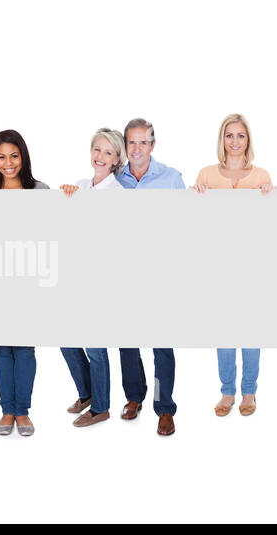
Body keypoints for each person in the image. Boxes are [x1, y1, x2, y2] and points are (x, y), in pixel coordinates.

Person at [192, 113, 273, 418]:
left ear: (247, 140)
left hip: (252, 266)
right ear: (222, 140)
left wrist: (269, 199)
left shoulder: (261, 176)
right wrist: (195, 197)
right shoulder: (207, 175)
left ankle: (249, 391)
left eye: (240, 135)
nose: (235, 141)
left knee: (251, 331)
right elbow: (197, 223)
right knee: (224, 331)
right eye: (229, 135)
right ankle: (227, 391)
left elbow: (272, 226)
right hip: (219, 267)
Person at [116, 118, 185, 436]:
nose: (137, 148)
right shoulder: (114, 179)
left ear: (153, 145)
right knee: (127, 343)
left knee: (162, 346)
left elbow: (187, 222)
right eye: (132, 142)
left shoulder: (171, 178)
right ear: (125, 145)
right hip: (124, 273)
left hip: (161, 274)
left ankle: (164, 407)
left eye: (143, 142)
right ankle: (134, 397)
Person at [0, 130, 48, 437]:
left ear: (24, 157)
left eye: (14, 156)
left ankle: (23, 411)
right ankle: (7, 410)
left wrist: (71, 195)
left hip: (29, 279)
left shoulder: (40, 190)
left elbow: (58, 228)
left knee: (25, 349)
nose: (9, 163)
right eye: (2, 156)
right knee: (3, 349)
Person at [58, 127, 125, 428]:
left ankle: (101, 407)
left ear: (116, 160)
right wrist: (66, 198)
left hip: (100, 281)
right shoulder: (80, 185)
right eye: (97, 149)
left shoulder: (118, 194)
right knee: (66, 340)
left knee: (96, 347)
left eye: (108, 152)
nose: (101, 156)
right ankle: (87, 393)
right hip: (74, 276)